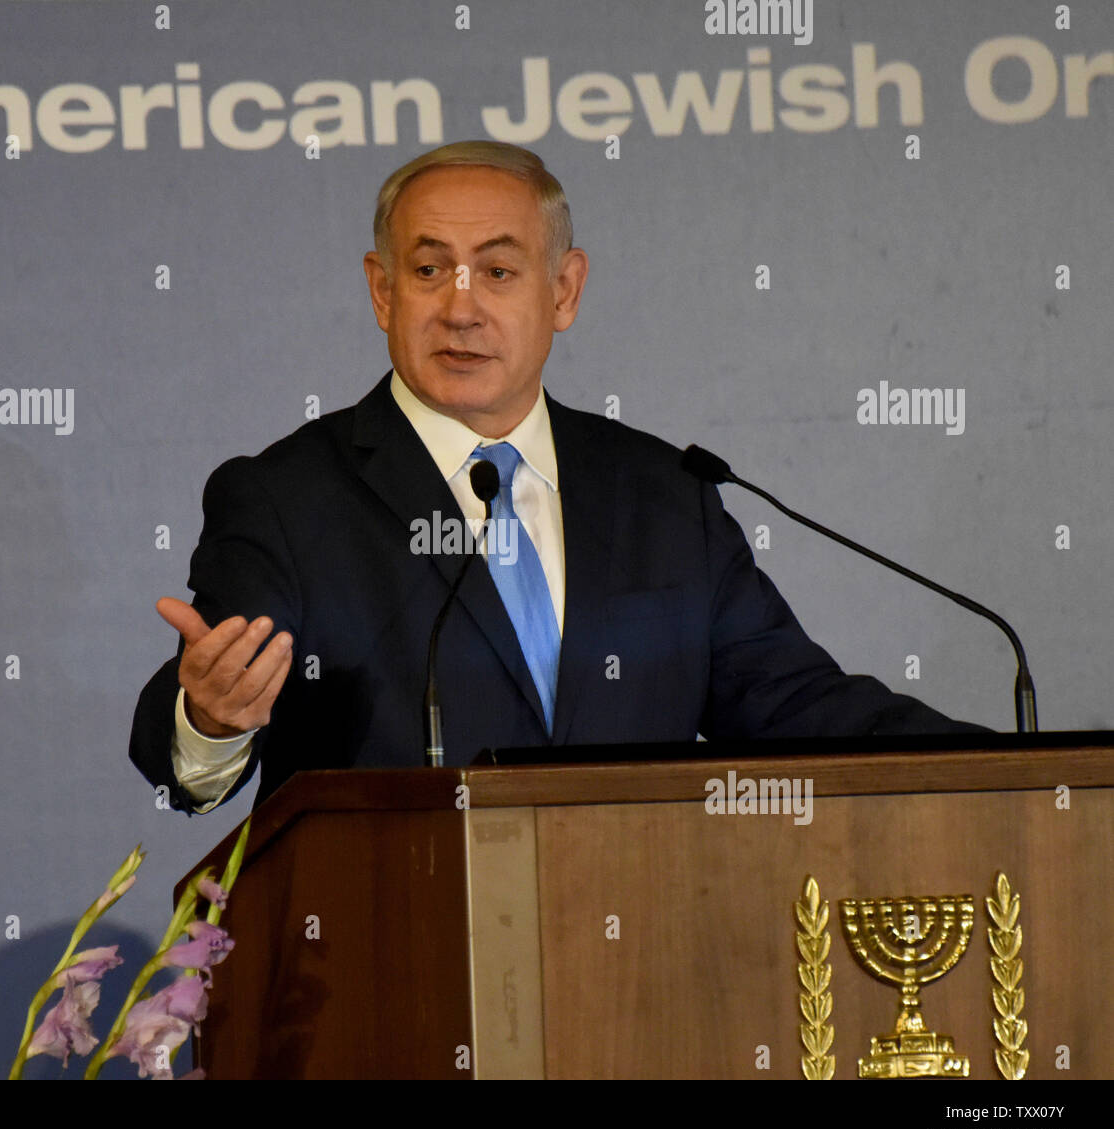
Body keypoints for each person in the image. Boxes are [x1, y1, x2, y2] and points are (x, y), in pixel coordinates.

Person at [129, 140, 986, 815]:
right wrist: (211, 718)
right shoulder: (286, 499)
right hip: (392, 970)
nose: (461, 305)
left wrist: (1005, 765)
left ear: (564, 291)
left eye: (498, 271)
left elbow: (793, 705)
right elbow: (180, 771)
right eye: (429, 271)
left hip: (636, 978)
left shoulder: (663, 493)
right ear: (382, 291)